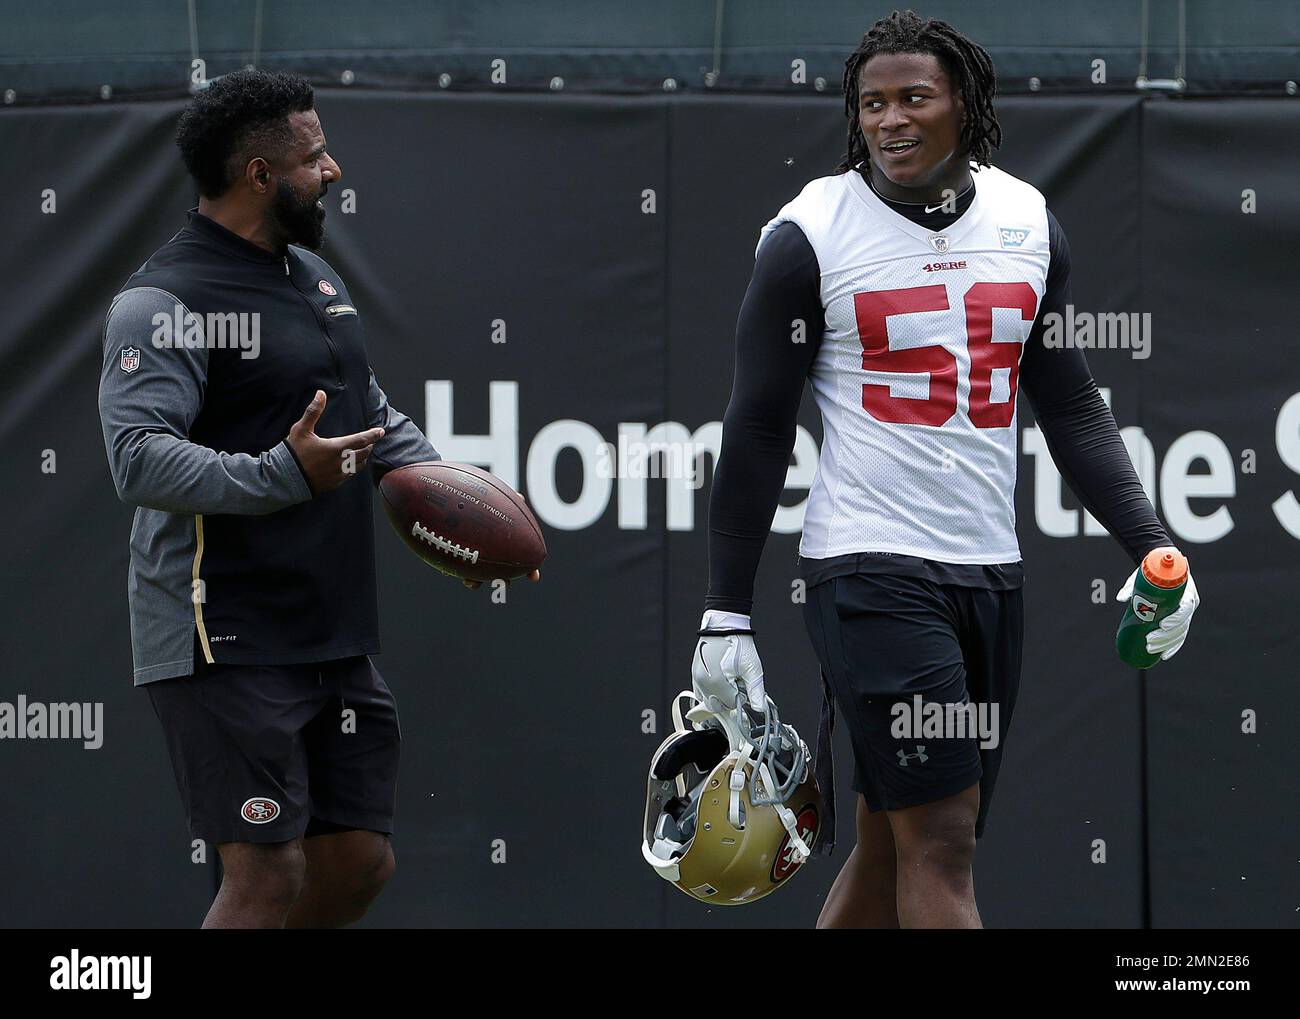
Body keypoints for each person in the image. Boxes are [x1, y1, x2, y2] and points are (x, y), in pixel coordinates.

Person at [692, 11, 1199, 928]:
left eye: (913, 98)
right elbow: (758, 427)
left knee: (893, 843)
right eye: (872, 103)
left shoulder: (1027, 220)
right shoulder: (809, 234)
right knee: (944, 841)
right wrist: (726, 613)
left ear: (962, 101)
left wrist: (1153, 545)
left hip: (988, 569)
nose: (890, 120)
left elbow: (1071, 405)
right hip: (869, 570)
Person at [98, 68, 535, 928]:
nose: (333, 170)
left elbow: (371, 415)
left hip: (329, 626)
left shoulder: (316, 279)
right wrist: (282, 473)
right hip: (220, 632)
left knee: (357, 860)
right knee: (266, 874)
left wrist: (464, 503)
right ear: (260, 175)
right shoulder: (161, 300)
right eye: (314, 157)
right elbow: (137, 460)